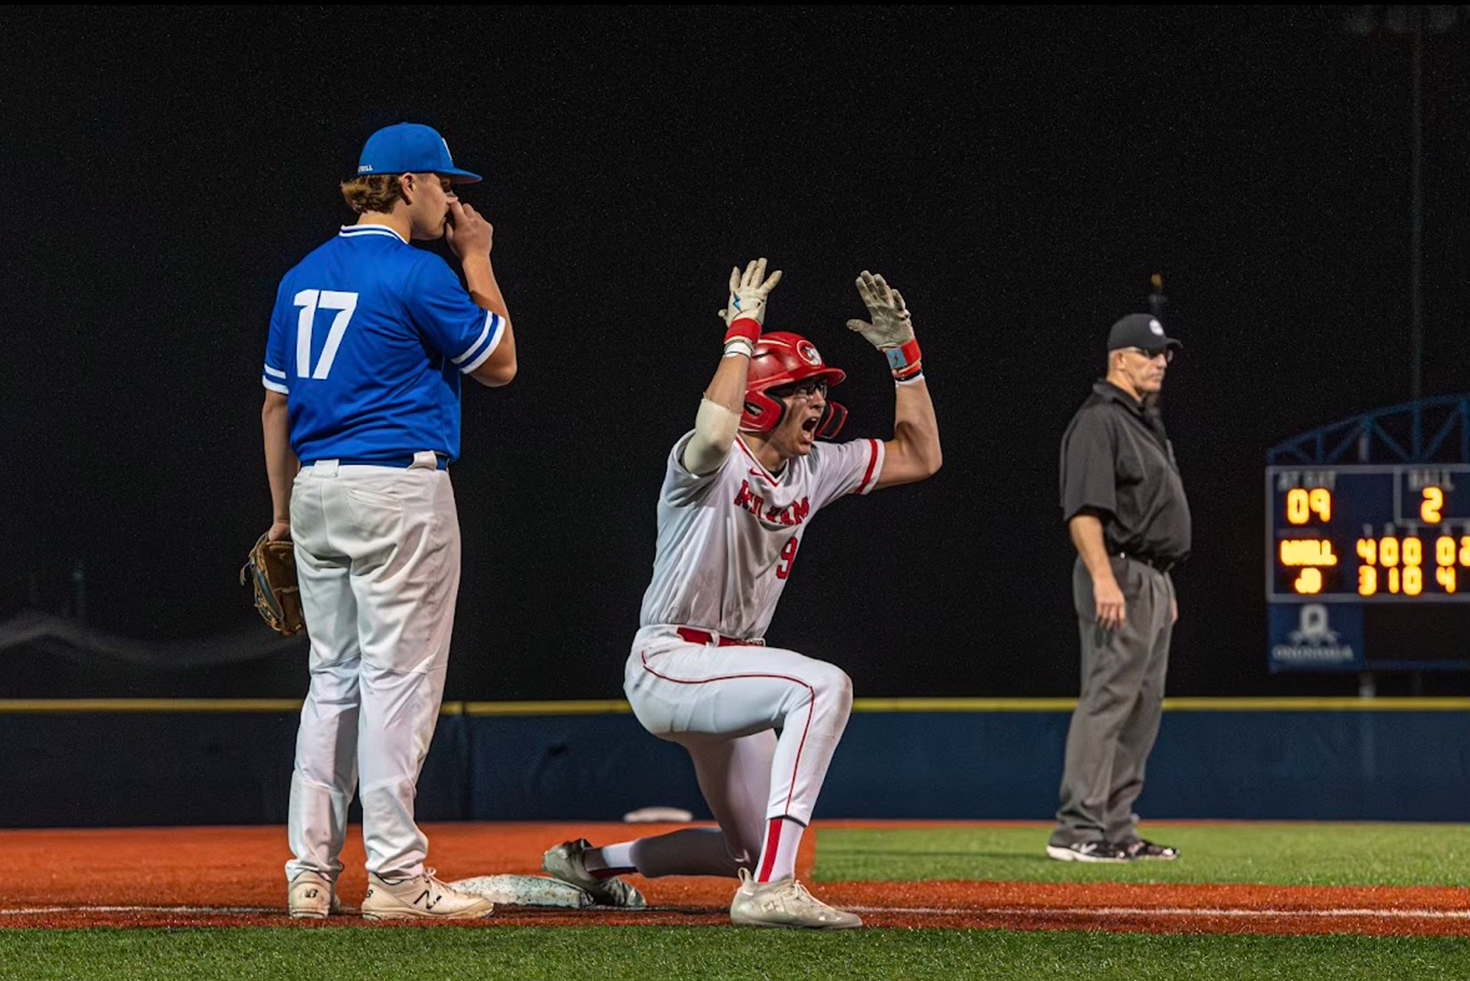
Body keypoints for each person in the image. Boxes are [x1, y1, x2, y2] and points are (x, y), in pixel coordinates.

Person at [540, 259, 942, 928]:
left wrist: (906, 358)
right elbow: (716, 431)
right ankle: (772, 889)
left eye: (819, 388)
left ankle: (590, 864)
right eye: (801, 388)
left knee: (748, 848)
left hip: (733, 665)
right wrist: (740, 335)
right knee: (823, 686)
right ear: (759, 397)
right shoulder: (708, 460)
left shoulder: (816, 463)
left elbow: (922, 456)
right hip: (669, 659)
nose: (818, 402)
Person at [259, 121, 517, 919]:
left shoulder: (300, 276)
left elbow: (274, 405)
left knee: (331, 682)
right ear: (408, 184)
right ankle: (400, 877)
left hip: (316, 491)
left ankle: (310, 872)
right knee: (398, 683)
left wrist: (279, 518)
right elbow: (501, 363)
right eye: (446, 185)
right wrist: (476, 258)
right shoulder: (419, 273)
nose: (454, 199)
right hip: (397, 490)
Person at [1047, 313, 1189, 863]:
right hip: (1119, 573)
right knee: (1109, 699)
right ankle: (1077, 829)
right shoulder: (1099, 420)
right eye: (1150, 353)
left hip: (1149, 576)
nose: (1160, 362)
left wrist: (1163, 584)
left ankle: (1116, 829)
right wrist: (1106, 577)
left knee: (1141, 708)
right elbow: (1083, 510)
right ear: (1119, 359)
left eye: (1164, 354)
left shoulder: (1140, 421)